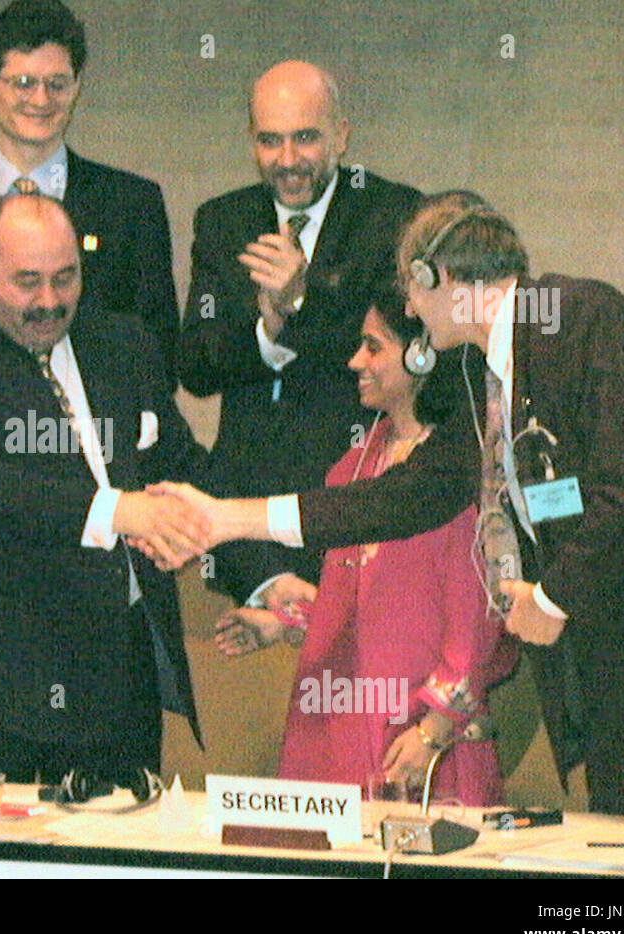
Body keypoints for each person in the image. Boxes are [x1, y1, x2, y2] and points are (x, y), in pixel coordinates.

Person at [155, 192, 624, 819]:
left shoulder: (577, 317)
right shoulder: (486, 378)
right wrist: (226, 518)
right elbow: (404, 498)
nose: (412, 310)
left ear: (433, 276)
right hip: (610, 692)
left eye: (411, 292)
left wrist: (554, 597)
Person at [0, 193, 209, 783]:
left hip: (120, 689)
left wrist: (262, 570)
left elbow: (186, 468)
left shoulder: (123, 343)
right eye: (27, 282)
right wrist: (117, 510)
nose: (50, 302)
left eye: (66, 279)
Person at [213, 286, 514, 805]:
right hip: (336, 733)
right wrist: (282, 623)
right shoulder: (355, 463)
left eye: (373, 347)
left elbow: (480, 627)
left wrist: (433, 733)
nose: (356, 361)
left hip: (420, 747)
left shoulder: (454, 477)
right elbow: (360, 602)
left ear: (422, 355)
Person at [177, 61, 421, 610]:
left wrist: (302, 303)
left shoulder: (394, 214)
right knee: (249, 691)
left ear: (341, 132)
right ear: (251, 141)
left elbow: (395, 357)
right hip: (244, 513)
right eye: (270, 141)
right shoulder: (222, 220)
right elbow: (194, 366)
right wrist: (268, 324)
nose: (287, 160)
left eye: (306, 138)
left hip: (353, 498)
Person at [0, 0, 178, 372]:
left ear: (77, 86)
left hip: (92, 427)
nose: (41, 100)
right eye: (24, 83)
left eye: (56, 84)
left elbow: (159, 352)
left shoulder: (131, 205)